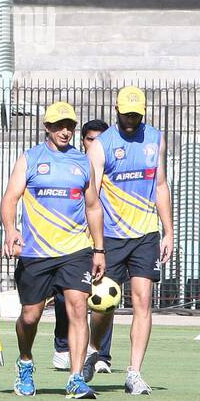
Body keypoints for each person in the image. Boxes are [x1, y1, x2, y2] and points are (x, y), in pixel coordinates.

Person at [0, 102, 105, 400]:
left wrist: (99, 249)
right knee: (30, 317)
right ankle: (25, 362)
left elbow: (93, 206)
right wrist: (11, 230)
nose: (65, 131)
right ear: (46, 127)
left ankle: (75, 378)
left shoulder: (82, 161)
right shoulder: (30, 159)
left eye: (70, 125)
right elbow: (10, 199)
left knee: (77, 308)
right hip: (36, 252)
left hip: (75, 250)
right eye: (59, 125)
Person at [90, 86, 172, 395]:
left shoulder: (155, 138)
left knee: (143, 300)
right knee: (104, 304)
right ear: (116, 110)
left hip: (145, 234)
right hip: (111, 235)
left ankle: (134, 372)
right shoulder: (102, 145)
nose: (131, 120)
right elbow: (92, 196)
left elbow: (161, 185)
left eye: (136, 114)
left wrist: (169, 231)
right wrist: (93, 240)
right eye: (126, 114)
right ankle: (93, 350)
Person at [51, 119, 114, 376]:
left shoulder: (112, 166)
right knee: (65, 296)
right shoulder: (73, 165)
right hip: (73, 240)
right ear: (83, 140)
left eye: (100, 139)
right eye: (90, 139)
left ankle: (99, 354)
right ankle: (63, 345)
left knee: (106, 296)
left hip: (106, 238)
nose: (95, 144)